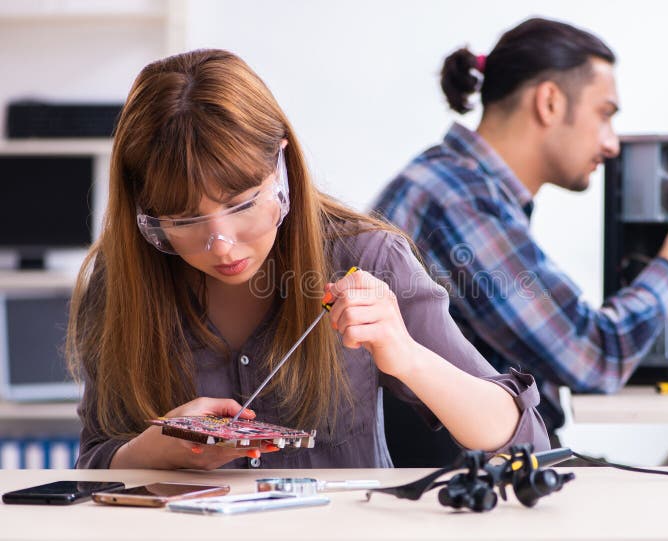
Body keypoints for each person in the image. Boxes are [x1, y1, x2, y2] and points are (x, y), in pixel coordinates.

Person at [66, 49, 549, 470]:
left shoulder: (368, 258)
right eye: (184, 220)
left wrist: (409, 356)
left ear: (280, 165)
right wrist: (151, 451)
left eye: (242, 204)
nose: (222, 245)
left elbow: (525, 442)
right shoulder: (120, 279)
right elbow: (94, 460)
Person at [373, 18, 668, 442]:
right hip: (459, 469)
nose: (612, 144)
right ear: (549, 102)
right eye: (604, 115)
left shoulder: (455, 183)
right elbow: (596, 357)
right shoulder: (457, 200)